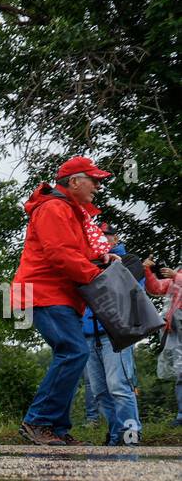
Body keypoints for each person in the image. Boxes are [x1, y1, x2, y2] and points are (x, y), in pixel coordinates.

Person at [12, 156, 117, 447]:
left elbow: (76, 253)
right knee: (73, 351)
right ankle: (38, 421)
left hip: (59, 295)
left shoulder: (71, 212)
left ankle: (56, 429)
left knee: (73, 352)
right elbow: (60, 254)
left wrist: (103, 260)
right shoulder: (53, 208)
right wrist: (96, 276)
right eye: (93, 179)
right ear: (74, 182)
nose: (98, 185)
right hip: (43, 292)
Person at [81, 229, 143, 446]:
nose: (102, 239)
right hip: (88, 335)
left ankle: (130, 436)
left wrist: (110, 263)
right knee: (99, 392)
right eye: (97, 236)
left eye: (106, 235)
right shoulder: (86, 263)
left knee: (119, 386)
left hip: (115, 334)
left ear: (116, 239)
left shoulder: (129, 261)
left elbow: (131, 290)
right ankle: (116, 435)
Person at [144, 259, 182, 426]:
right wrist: (148, 271)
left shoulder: (177, 277)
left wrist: (176, 276)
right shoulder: (175, 278)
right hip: (176, 329)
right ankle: (181, 416)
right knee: (181, 373)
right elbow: (156, 288)